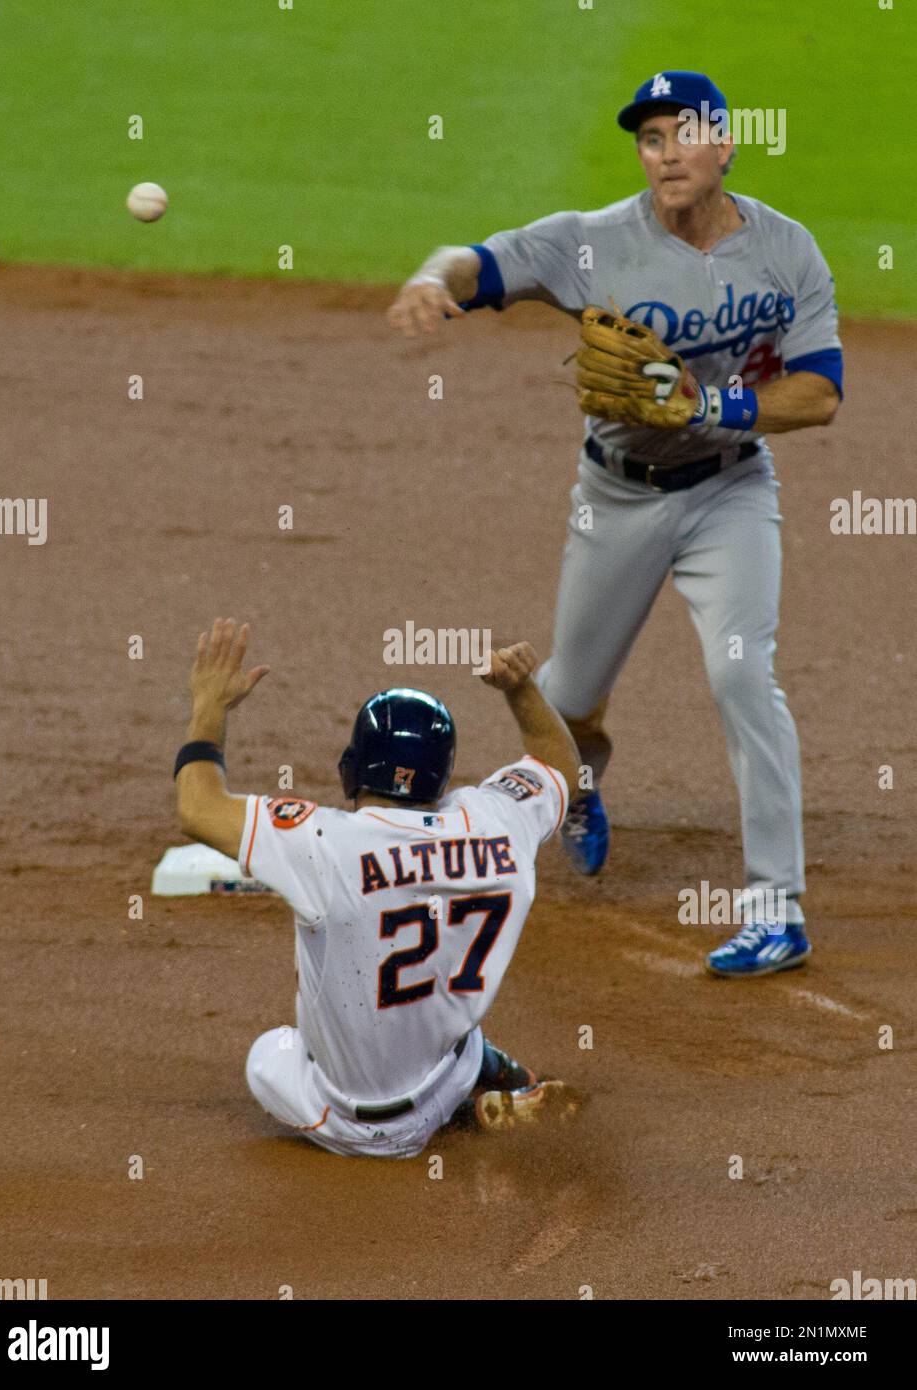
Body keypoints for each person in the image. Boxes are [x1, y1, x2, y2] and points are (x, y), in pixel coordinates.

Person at [387, 70, 843, 978]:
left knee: (742, 674)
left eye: (682, 133)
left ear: (725, 143)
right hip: (617, 499)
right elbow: (473, 261)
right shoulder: (589, 244)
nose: (664, 152)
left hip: (730, 491)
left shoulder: (788, 251)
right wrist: (429, 278)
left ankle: (773, 907)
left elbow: (820, 393)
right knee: (566, 700)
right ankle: (579, 772)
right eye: (648, 139)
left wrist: (707, 403)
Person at [173, 618, 583, 1158]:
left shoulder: (322, 842)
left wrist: (210, 708)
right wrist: (520, 688)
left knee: (268, 1055)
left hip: (352, 1124)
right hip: (442, 1074)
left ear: (354, 767)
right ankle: (500, 1079)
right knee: (446, 1015)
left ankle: (462, 1094)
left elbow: (196, 807)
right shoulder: (496, 819)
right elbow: (561, 769)